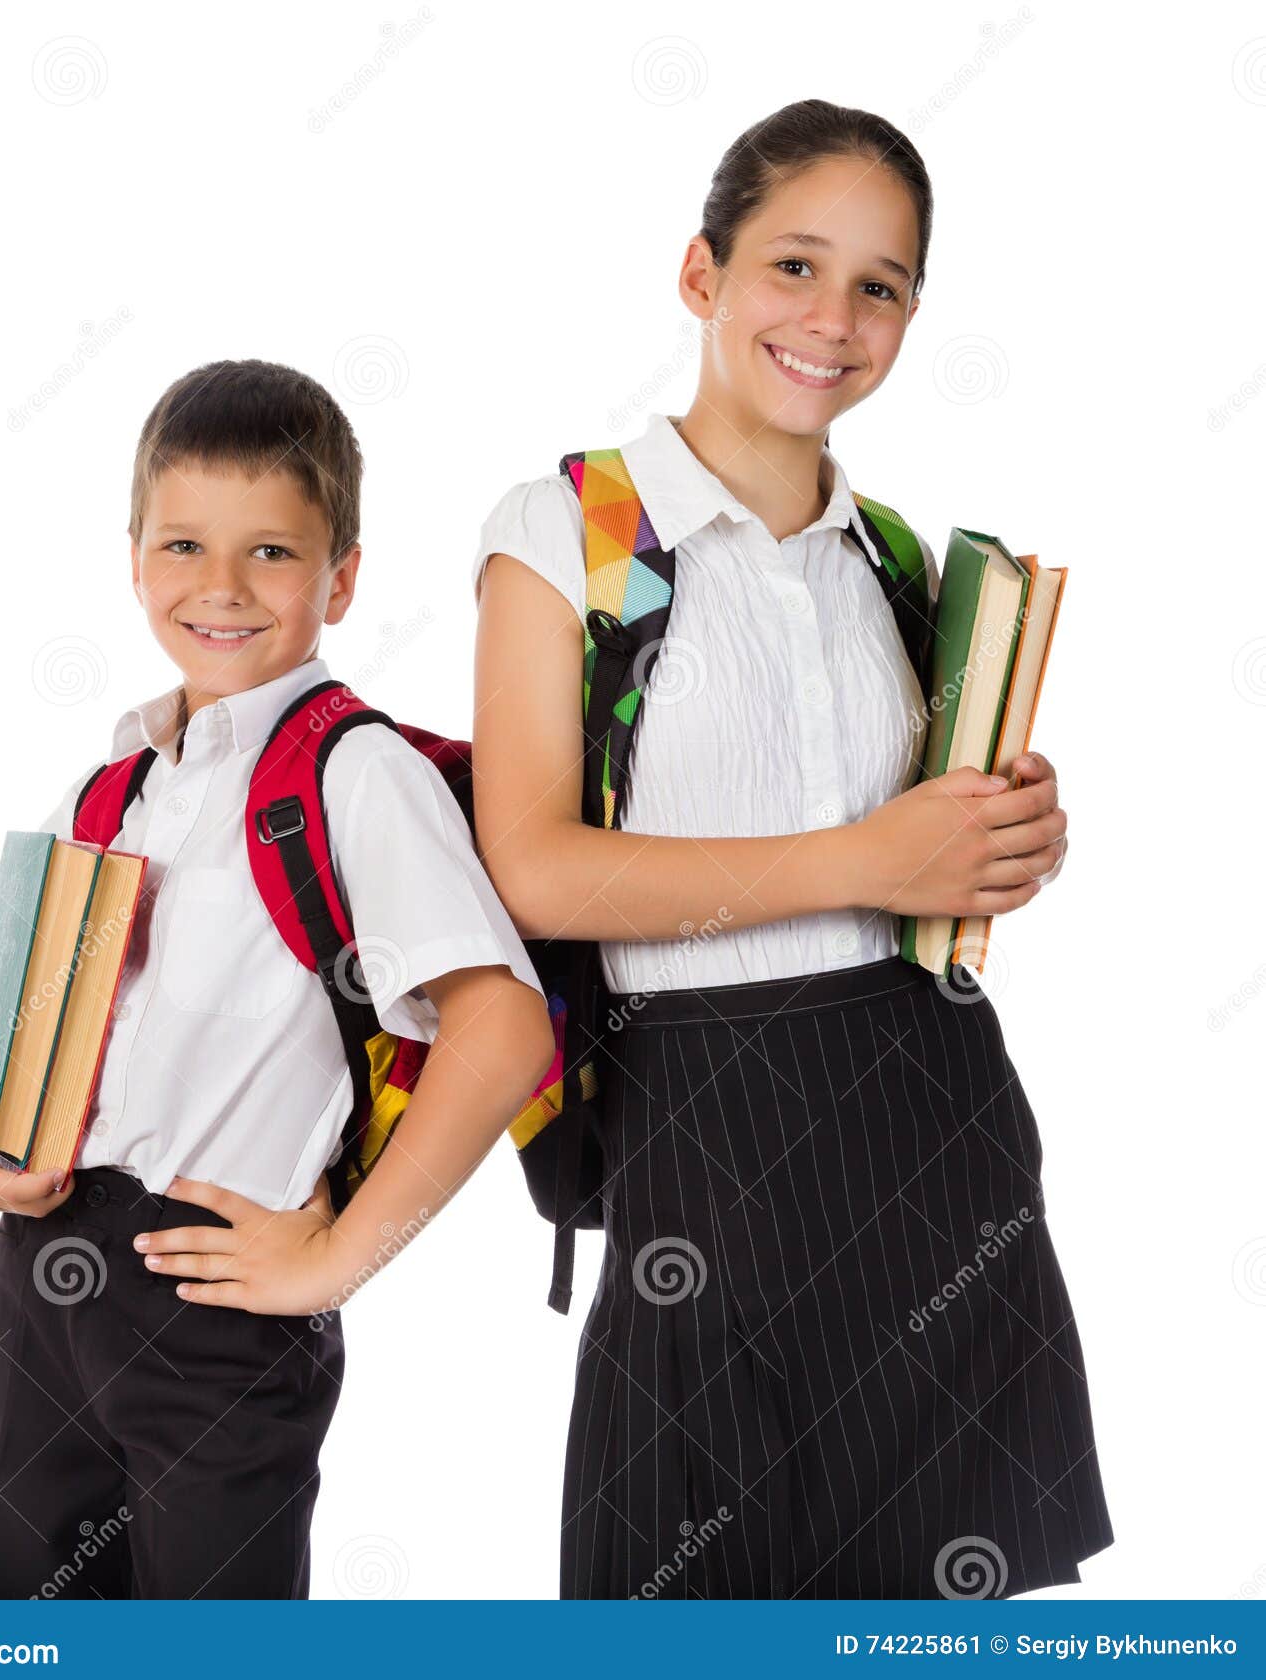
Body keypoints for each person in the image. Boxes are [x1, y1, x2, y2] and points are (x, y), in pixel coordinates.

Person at [470, 100, 1113, 1600]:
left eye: (878, 286)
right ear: (699, 274)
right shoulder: (571, 528)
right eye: (790, 266)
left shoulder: (895, 561)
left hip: (934, 1124)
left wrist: (1001, 839)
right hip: (703, 1146)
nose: (831, 319)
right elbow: (536, 872)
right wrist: (869, 856)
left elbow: (916, 862)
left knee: (952, 1614)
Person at [0, 358, 555, 1599]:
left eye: (273, 553)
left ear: (342, 578)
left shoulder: (354, 774)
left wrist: (338, 1259)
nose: (221, 588)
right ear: (134, 559)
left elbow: (504, 1027)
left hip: (219, 1299)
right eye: (187, 544)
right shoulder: (111, 789)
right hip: (40, 1280)